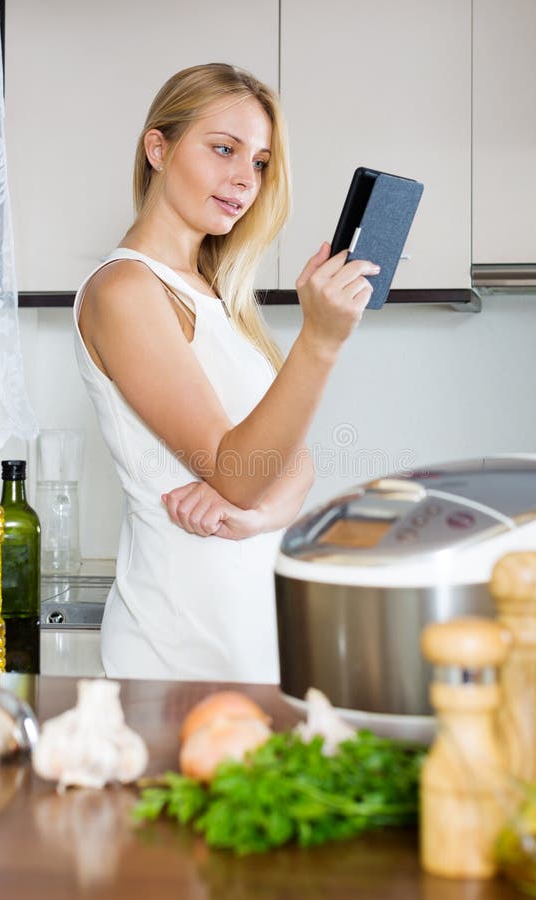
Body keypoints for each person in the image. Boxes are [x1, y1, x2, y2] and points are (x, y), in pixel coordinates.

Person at [73, 62, 379, 682]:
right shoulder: (125, 289)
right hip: (178, 642)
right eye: (224, 149)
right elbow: (243, 473)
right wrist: (320, 341)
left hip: (250, 629)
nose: (244, 179)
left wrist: (257, 516)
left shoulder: (215, 295)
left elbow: (292, 463)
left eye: (260, 162)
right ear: (158, 148)